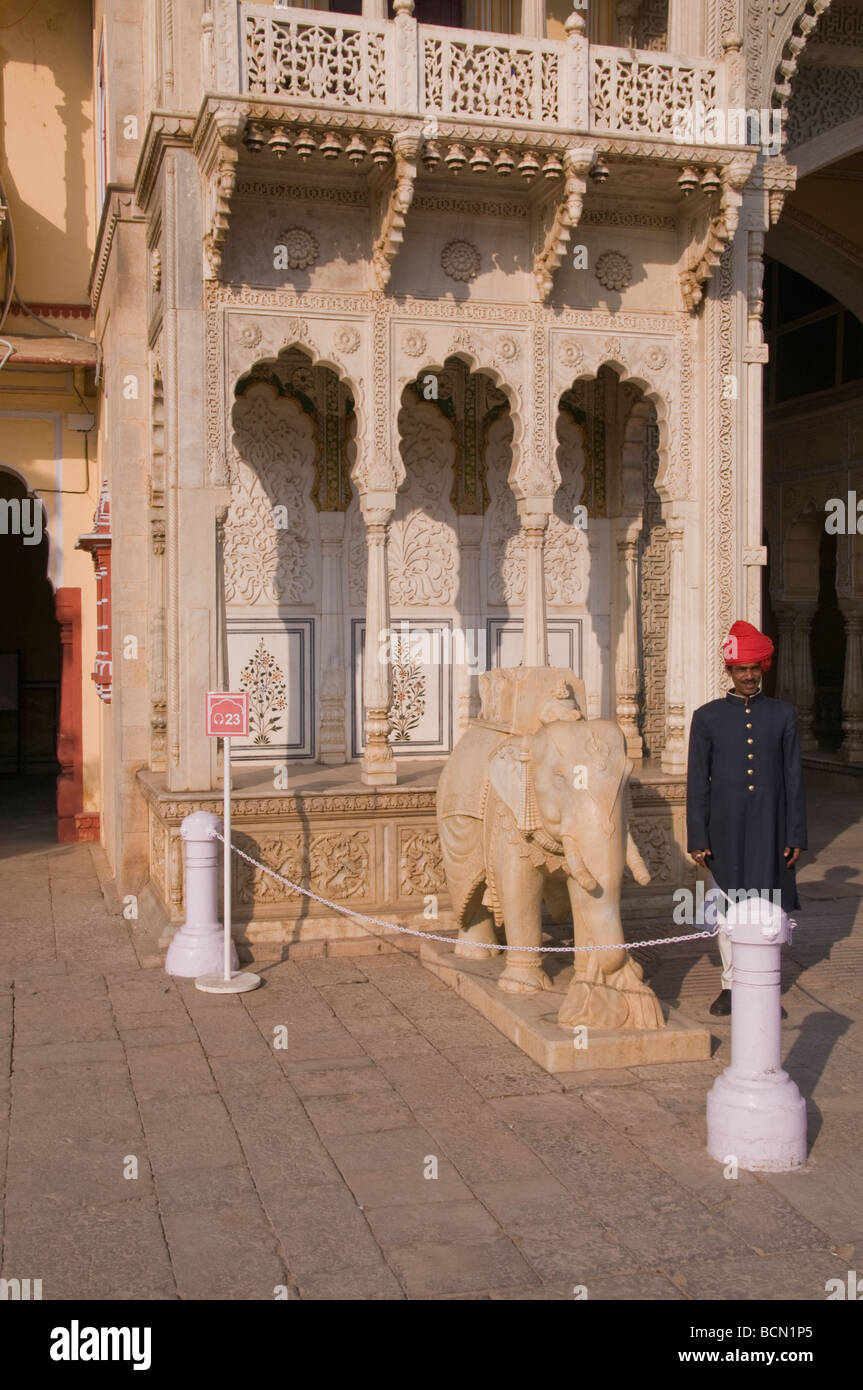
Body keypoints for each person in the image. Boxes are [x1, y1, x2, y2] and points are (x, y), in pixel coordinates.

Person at [686, 620, 807, 1016]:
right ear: (730, 672)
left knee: (770, 908)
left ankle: (765, 985)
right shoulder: (707, 718)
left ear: (764, 668)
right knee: (727, 909)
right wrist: (697, 837)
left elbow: (793, 779)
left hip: (771, 830)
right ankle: (732, 985)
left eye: (756, 668)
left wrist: (795, 834)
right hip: (725, 830)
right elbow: (697, 784)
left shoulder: (783, 715)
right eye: (742, 669)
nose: (750, 676)